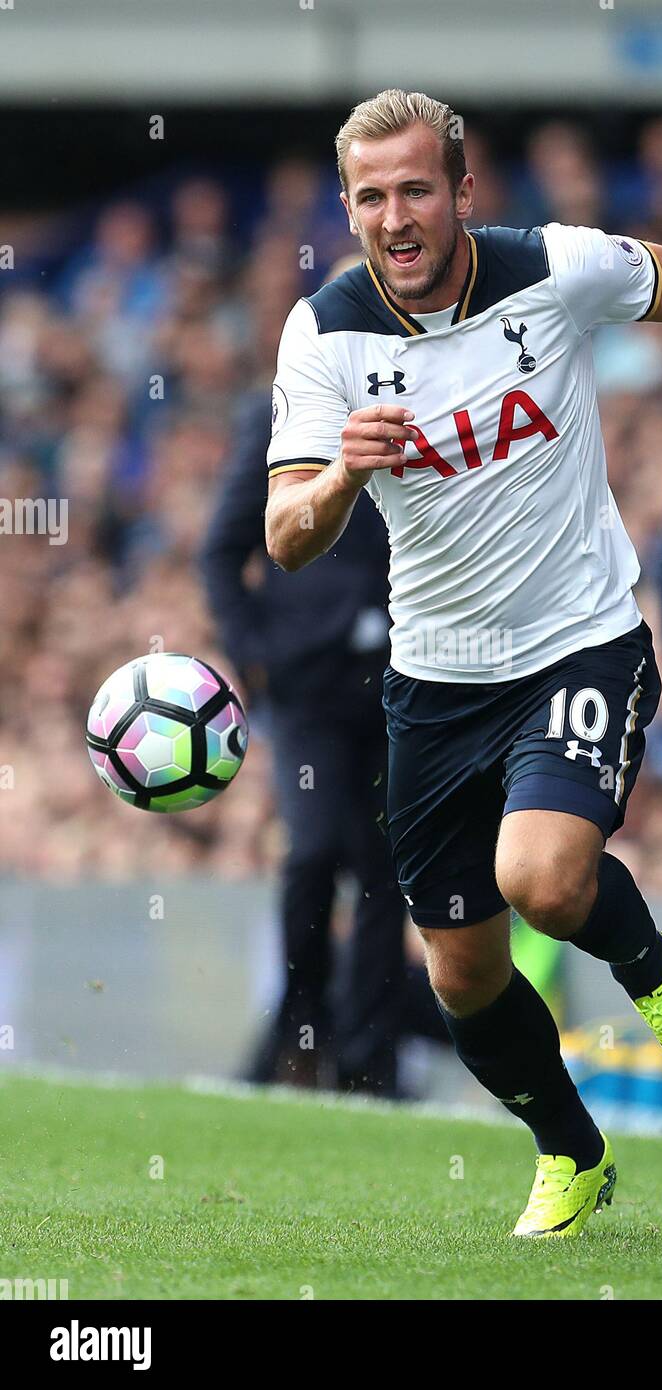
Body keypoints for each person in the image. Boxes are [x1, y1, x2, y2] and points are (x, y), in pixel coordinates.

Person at [263, 90, 662, 1237]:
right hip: (433, 681)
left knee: (543, 878)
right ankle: (571, 1149)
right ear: (347, 210)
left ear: (461, 191)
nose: (394, 217)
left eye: (415, 189)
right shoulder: (324, 333)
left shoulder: (553, 268)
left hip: (576, 640)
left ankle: (654, 975)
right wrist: (338, 479)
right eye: (368, 197)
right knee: (458, 974)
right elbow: (283, 538)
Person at [201, 385, 411, 1096]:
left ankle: (370, 1064)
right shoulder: (281, 417)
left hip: (400, 682)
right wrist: (254, 653)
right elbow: (223, 548)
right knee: (313, 851)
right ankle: (301, 1034)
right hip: (309, 690)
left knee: (388, 871)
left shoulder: (432, 405)